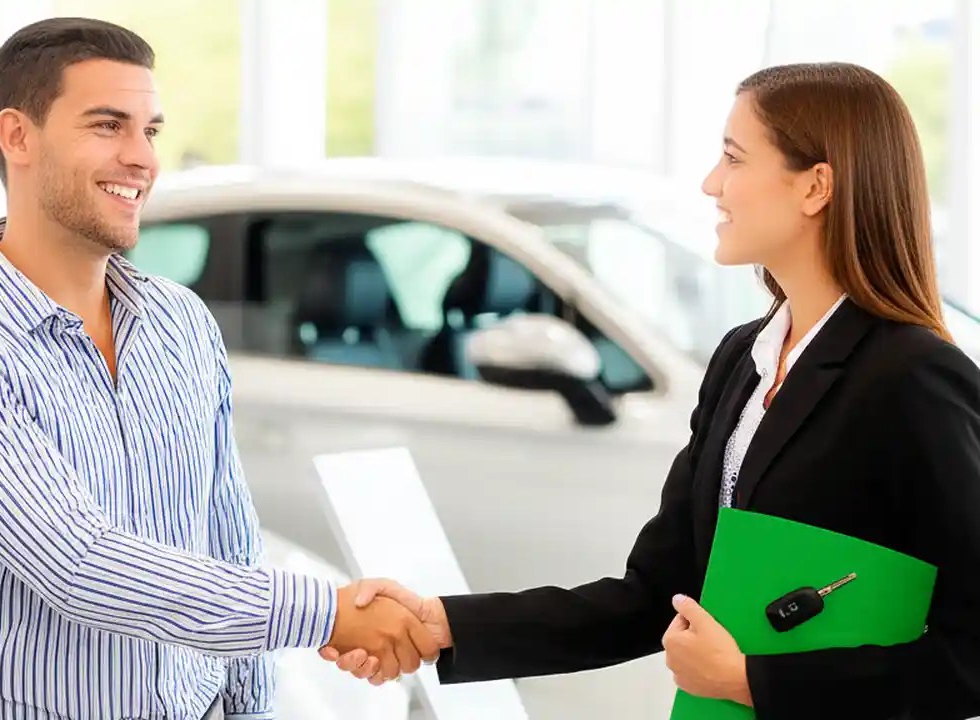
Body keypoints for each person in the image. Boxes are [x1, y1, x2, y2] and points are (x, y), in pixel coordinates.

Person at [322, 62, 980, 719]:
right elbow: (654, 594)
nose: (711, 184)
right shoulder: (742, 362)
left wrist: (755, 681)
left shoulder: (913, 379)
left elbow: (969, 657)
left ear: (815, 187)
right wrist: (444, 625)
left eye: (733, 158)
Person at [0, 17, 436, 720]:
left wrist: (249, 709)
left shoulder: (180, 323)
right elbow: (78, 563)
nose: (141, 157)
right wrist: (330, 613)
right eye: (108, 126)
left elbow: (231, 542)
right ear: (17, 136)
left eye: (151, 130)